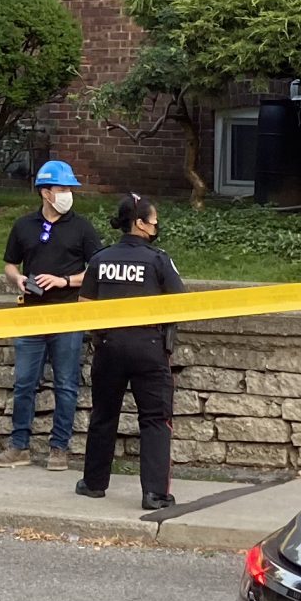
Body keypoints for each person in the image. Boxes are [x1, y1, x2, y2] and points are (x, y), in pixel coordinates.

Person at [78, 192, 186, 511]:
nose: (157, 226)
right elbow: (180, 304)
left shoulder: (100, 259)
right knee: (155, 419)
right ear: (139, 224)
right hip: (149, 348)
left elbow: (84, 307)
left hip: (109, 347)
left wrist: (102, 335)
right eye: (154, 221)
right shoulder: (158, 260)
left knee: (103, 415)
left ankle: (94, 483)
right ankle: (154, 494)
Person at [0, 159, 99, 470]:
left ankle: (59, 448)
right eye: (62, 189)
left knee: (66, 383)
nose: (67, 194)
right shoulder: (24, 226)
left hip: (68, 314)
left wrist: (65, 281)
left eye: (69, 189)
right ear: (45, 193)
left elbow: (97, 270)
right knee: (25, 382)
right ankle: (19, 446)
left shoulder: (82, 228)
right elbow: (10, 264)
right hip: (31, 314)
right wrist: (19, 280)